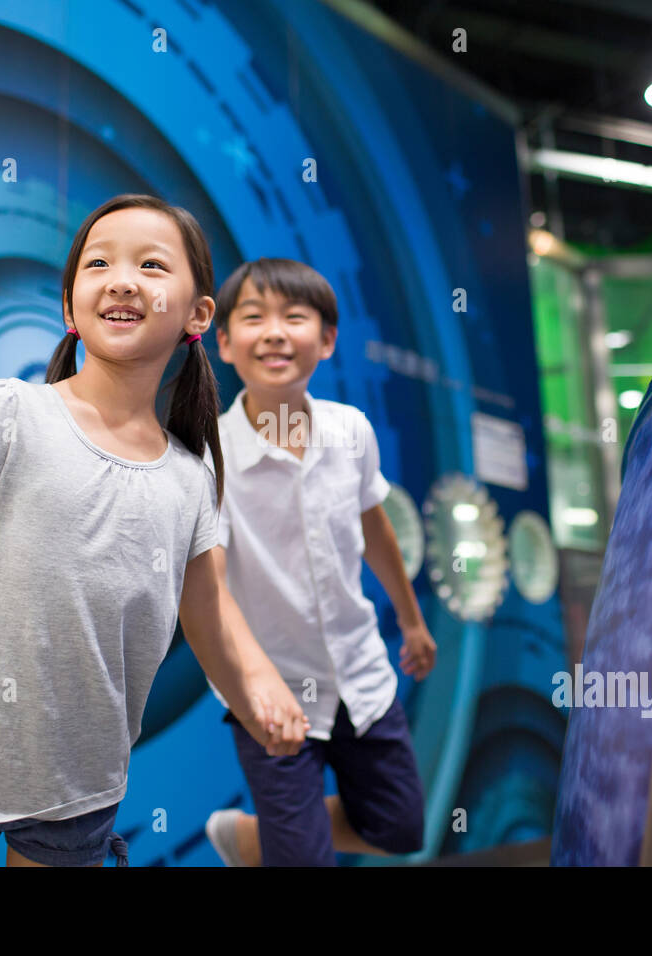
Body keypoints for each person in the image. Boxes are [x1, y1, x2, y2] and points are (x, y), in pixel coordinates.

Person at [0, 196, 309, 868]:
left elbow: (209, 613)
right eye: (99, 263)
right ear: (69, 305)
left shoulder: (191, 478)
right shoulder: (8, 412)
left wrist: (258, 681)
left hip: (78, 790)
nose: (121, 279)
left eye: (150, 264)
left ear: (199, 315)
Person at [202, 258, 437, 866]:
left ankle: (259, 839)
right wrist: (254, 684)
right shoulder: (212, 456)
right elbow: (211, 589)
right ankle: (287, 843)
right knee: (303, 862)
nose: (275, 332)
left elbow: (375, 527)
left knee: (401, 829)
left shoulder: (351, 431)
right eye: (253, 318)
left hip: (360, 673)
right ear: (224, 342)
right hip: (272, 693)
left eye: (295, 317)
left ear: (327, 340)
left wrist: (411, 621)